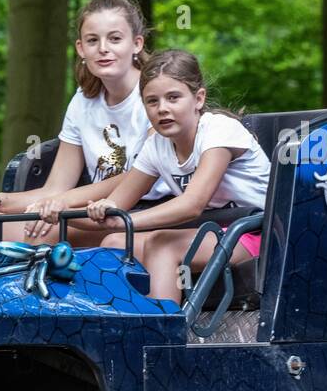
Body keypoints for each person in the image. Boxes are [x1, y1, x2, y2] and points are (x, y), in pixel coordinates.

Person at [0, 0, 169, 246]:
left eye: (115, 38)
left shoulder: (156, 95)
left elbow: (139, 176)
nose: (103, 48)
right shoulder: (83, 101)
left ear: (137, 44)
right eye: (92, 40)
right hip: (92, 213)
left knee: (50, 225)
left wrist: (63, 203)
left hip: (148, 212)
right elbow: (55, 188)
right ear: (81, 49)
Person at [82, 49, 270, 303]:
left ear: (199, 98)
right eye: (152, 101)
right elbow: (116, 206)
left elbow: (193, 205)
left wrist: (125, 221)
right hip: (214, 231)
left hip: (258, 232)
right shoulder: (157, 146)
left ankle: (162, 332)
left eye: (173, 98)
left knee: (163, 244)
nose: (162, 109)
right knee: (114, 242)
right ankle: (120, 328)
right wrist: (57, 212)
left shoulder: (219, 131)